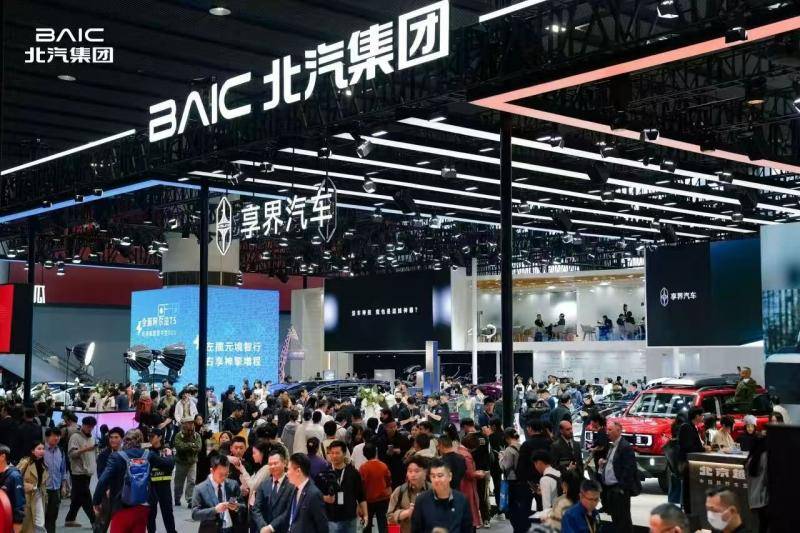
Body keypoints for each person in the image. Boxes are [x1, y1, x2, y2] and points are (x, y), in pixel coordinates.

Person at [92, 429, 172, 533]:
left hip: (121, 506)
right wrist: (169, 455)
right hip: (143, 506)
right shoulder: (148, 455)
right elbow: (168, 465)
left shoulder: (116, 457)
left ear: (125, 440)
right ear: (141, 441)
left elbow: (103, 480)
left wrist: (96, 501)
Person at [410, 458, 472, 533]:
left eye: (440, 476)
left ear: (450, 476)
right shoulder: (421, 500)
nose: (436, 480)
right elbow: (415, 530)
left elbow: (467, 529)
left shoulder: (462, 500)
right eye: (433, 476)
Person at [599, 420, 637, 533]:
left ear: (619, 431)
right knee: (616, 521)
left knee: (623, 522)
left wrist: (621, 488)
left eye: (610, 430)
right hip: (611, 490)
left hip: (619, 491)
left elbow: (629, 469)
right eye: (607, 429)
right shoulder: (612, 446)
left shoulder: (625, 447)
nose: (607, 432)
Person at [191, 453, 243, 533]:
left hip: (231, 529)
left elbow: (243, 506)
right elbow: (195, 514)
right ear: (212, 471)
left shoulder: (233, 485)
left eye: (226, 474)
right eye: (220, 474)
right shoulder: (200, 489)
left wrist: (236, 507)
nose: (224, 477)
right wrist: (215, 510)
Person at [278, 453, 328, 533]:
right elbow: (289, 514)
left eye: (288, 469)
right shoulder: (294, 489)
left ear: (298, 471)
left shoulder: (314, 494)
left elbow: (322, 527)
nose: (286, 473)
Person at [324, 440, 366, 533]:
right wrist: (326, 498)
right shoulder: (325, 473)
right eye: (332, 453)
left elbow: (361, 495)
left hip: (349, 518)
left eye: (337, 453)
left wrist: (366, 514)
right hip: (331, 519)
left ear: (344, 454)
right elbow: (317, 495)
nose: (334, 456)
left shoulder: (353, 472)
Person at [65, 415, 97, 528]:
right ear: (83, 425)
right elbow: (71, 454)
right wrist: (85, 449)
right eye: (88, 426)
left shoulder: (91, 437)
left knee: (77, 497)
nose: (90, 429)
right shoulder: (75, 437)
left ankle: (70, 519)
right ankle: (94, 521)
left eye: (92, 427)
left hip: (88, 472)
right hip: (78, 472)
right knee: (86, 497)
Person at [252, 450, 293, 533]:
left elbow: (289, 510)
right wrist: (263, 527)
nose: (273, 466)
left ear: (284, 463)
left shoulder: (292, 485)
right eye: (270, 464)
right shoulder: (264, 484)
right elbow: (256, 508)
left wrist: (271, 527)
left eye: (275, 463)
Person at [387, 456, 430, 533]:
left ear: (425, 472)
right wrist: (406, 513)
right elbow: (389, 517)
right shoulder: (400, 491)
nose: (413, 475)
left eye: (417, 471)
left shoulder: (433, 490)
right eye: (410, 471)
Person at [678, 408, 709, 512]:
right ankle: (688, 512)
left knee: (691, 488)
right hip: (687, 464)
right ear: (696, 416)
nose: (703, 417)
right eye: (702, 415)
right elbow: (688, 447)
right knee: (688, 489)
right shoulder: (686, 427)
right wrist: (703, 449)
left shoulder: (692, 426)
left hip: (692, 463)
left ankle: (691, 511)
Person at [147, 428, 176, 533]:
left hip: (164, 486)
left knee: (167, 512)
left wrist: (156, 461)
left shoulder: (166, 450)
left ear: (159, 437)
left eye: (152, 436)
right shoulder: (147, 451)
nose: (150, 438)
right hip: (151, 486)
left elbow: (170, 465)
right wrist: (163, 463)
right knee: (151, 513)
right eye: (149, 436)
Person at [96, 426, 124, 531]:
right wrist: (107, 488)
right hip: (107, 493)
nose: (113, 440)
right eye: (111, 437)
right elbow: (100, 475)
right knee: (102, 522)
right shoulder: (103, 455)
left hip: (122, 493)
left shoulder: (126, 454)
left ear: (122, 439)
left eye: (116, 437)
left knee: (121, 523)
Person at [359, 443, 391, 533]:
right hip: (383, 499)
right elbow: (388, 482)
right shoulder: (383, 465)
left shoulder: (363, 468)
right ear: (375, 452)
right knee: (383, 523)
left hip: (368, 500)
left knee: (367, 524)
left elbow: (361, 485)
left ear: (364, 454)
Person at [18, 441, 48, 532]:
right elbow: (15, 478)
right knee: (28, 524)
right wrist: (25, 485)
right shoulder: (25, 462)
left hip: (39, 495)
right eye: (39, 449)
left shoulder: (43, 464)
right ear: (32, 451)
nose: (42, 451)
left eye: (43, 449)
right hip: (27, 497)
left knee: (39, 522)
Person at [174, 417, 202, 507]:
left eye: (192, 423)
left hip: (192, 462)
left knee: (192, 481)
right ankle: (177, 498)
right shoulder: (179, 435)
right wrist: (191, 445)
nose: (191, 425)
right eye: (189, 423)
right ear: (184, 424)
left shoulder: (196, 435)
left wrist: (188, 446)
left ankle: (190, 499)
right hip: (181, 462)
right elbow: (179, 447)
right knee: (179, 482)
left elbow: (198, 447)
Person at [42, 428, 66, 533]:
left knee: (53, 516)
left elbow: (63, 469)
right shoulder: (41, 450)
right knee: (41, 516)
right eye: (54, 435)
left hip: (56, 488)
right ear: (47, 437)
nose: (56, 438)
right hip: (43, 489)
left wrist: (64, 486)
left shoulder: (60, 450)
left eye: (58, 436)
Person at [0, 443, 25, 532]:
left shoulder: (14, 476)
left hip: (8, 522)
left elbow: (19, 504)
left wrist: (17, 526)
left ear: (2, 457)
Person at [746, 434, 768, 533]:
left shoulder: (751, 458)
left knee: (761, 525)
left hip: (753, 498)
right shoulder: (765, 457)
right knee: (765, 526)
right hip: (764, 498)